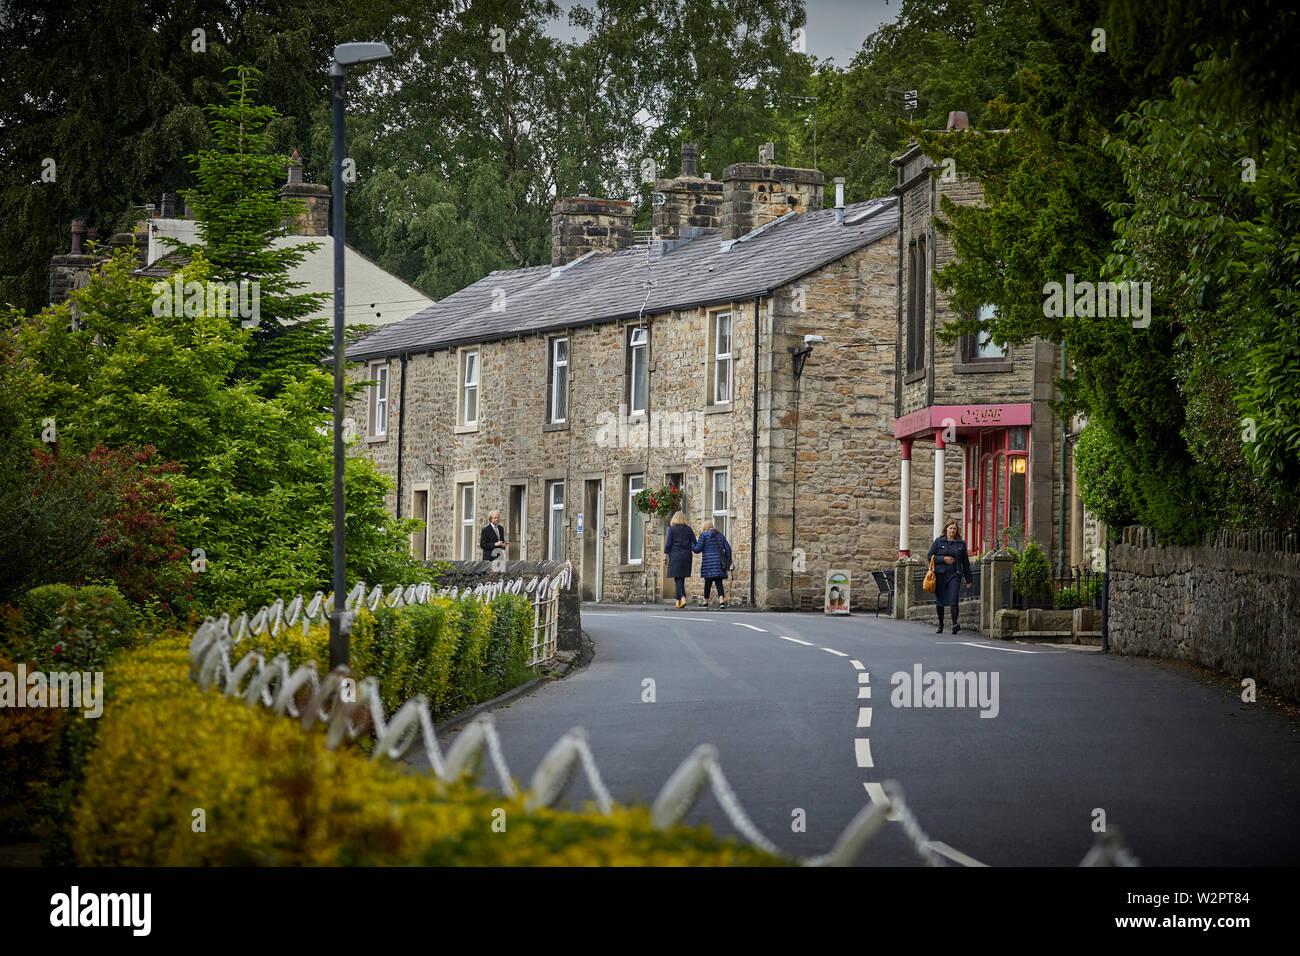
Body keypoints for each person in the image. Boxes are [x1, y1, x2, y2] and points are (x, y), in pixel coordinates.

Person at [927, 519, 973, 633]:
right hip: (940, 575)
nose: (952, 530)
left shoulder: (960, 543)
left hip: (954, 575)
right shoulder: (938, 541)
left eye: (954, 528)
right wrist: (943, 559)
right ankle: (941, 625)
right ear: (946, 529)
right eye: (950, 528)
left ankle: (954, 624)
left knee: (954, 599)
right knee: (940, 602)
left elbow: (965, 562)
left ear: (956, 530)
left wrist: (969, 579)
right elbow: (930, 557)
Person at [692, 520, 732, 608]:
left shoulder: (703, 535)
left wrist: (691, 543)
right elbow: (728, 549)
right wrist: (728, 561)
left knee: (708, 582)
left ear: (705, 527)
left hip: (708, 563)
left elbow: (697, 549)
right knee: (718, 582)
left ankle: (705, 602)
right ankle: (721, 601)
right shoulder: (720, 535)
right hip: (718, 562)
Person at [663, 511, 697, 609]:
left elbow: (668, 544)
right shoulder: (689, 530)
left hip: (675, 556)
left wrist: (665, 557)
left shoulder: (672, 529)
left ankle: (683, 598)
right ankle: (677, 602)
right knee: (680, 579)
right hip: (686, 556)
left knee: (678, 579)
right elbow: (694, 543)